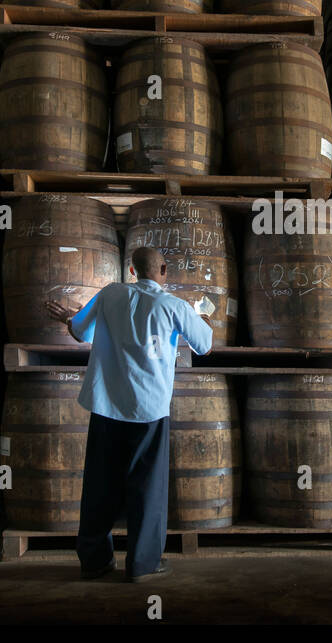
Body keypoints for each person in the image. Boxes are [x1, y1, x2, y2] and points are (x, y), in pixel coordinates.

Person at [44, 246, 213, 582]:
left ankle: (94, 562)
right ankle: (142, 564)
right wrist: (203, 318)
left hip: (106, 406)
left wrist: (68, 317)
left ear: (132, 271)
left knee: (99, 485)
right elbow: (204, 344)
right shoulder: (173, 306)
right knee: (147, 489)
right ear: (163, 270)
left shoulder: (110, 294)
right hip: (149, 410)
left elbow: (80, 331)